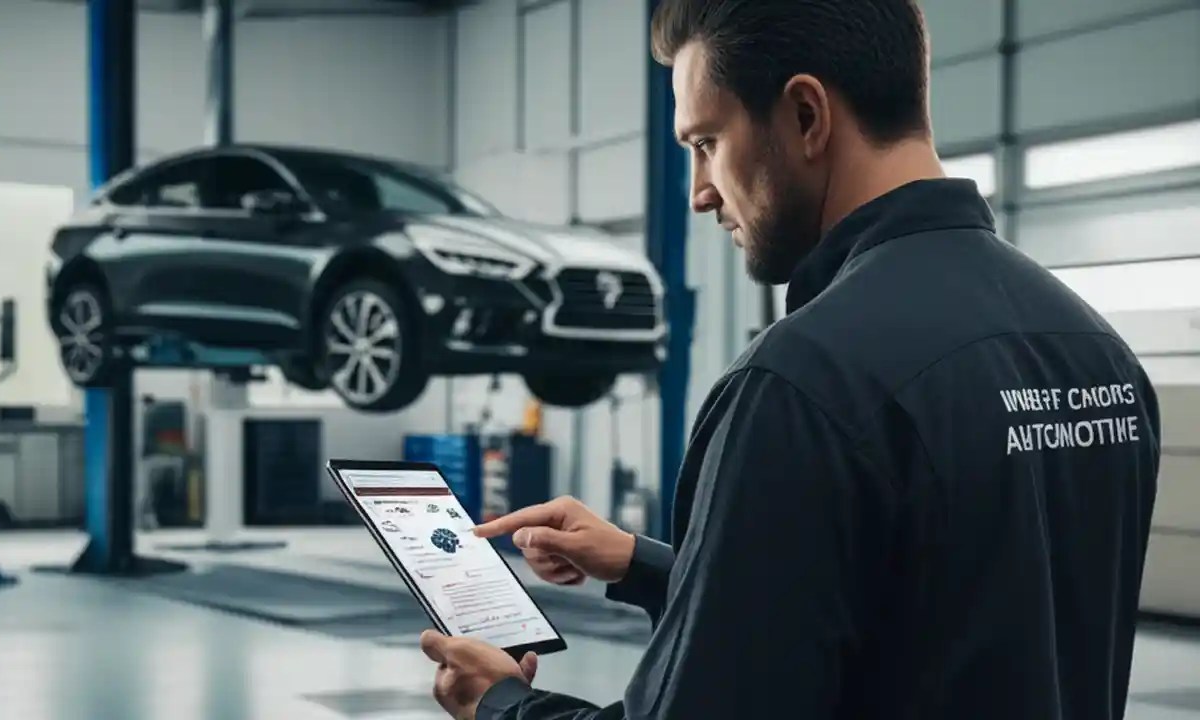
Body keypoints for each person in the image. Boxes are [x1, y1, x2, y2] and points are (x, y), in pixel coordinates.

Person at [417, 0, 1162, 717]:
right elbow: (929, 621)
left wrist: (504, 703)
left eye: (706, 144)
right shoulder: (1097, 355)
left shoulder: (802, 384)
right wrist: (644, 562)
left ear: (806, 115)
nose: (701, 193)